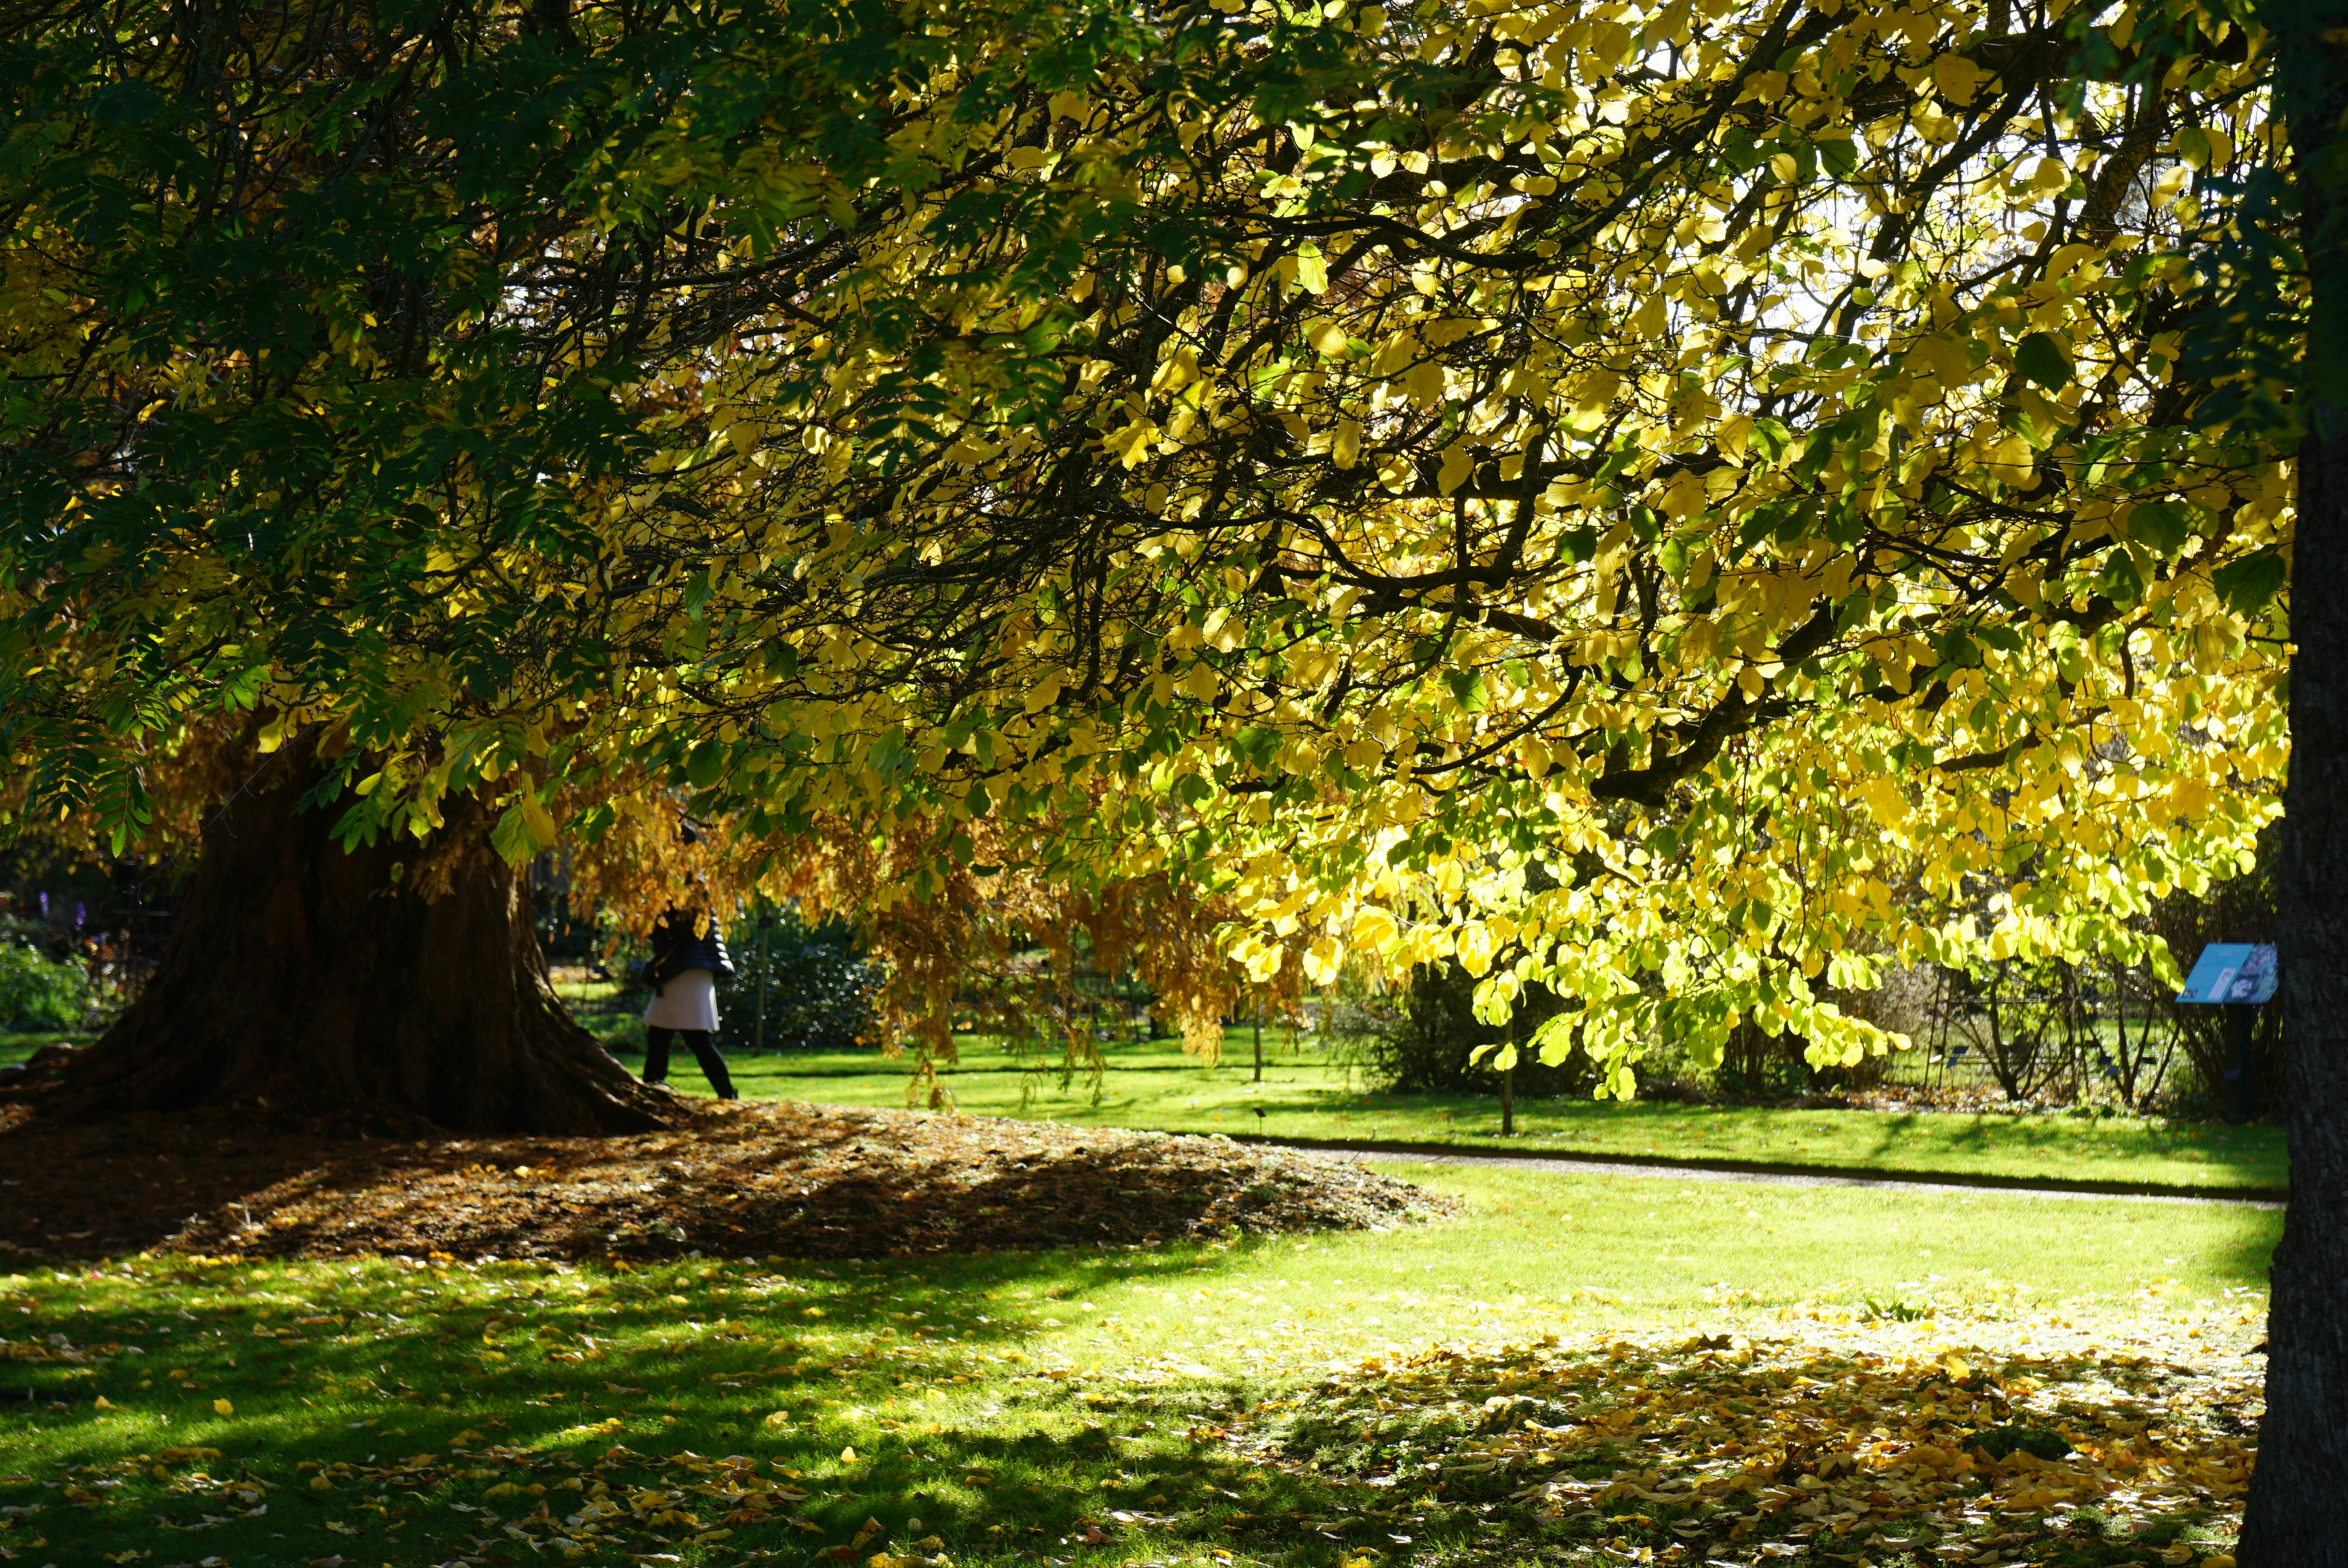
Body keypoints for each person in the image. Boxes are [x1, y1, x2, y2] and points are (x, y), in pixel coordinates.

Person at [639, 906, 739, 1100]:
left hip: (685, 969)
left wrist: (652, 919)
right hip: (689, 968)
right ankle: (652, 1091)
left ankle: (652, 1091)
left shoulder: (684, 894)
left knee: (673, 1037)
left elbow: (677, 930)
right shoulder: (696, 892)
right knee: (673, 1037)